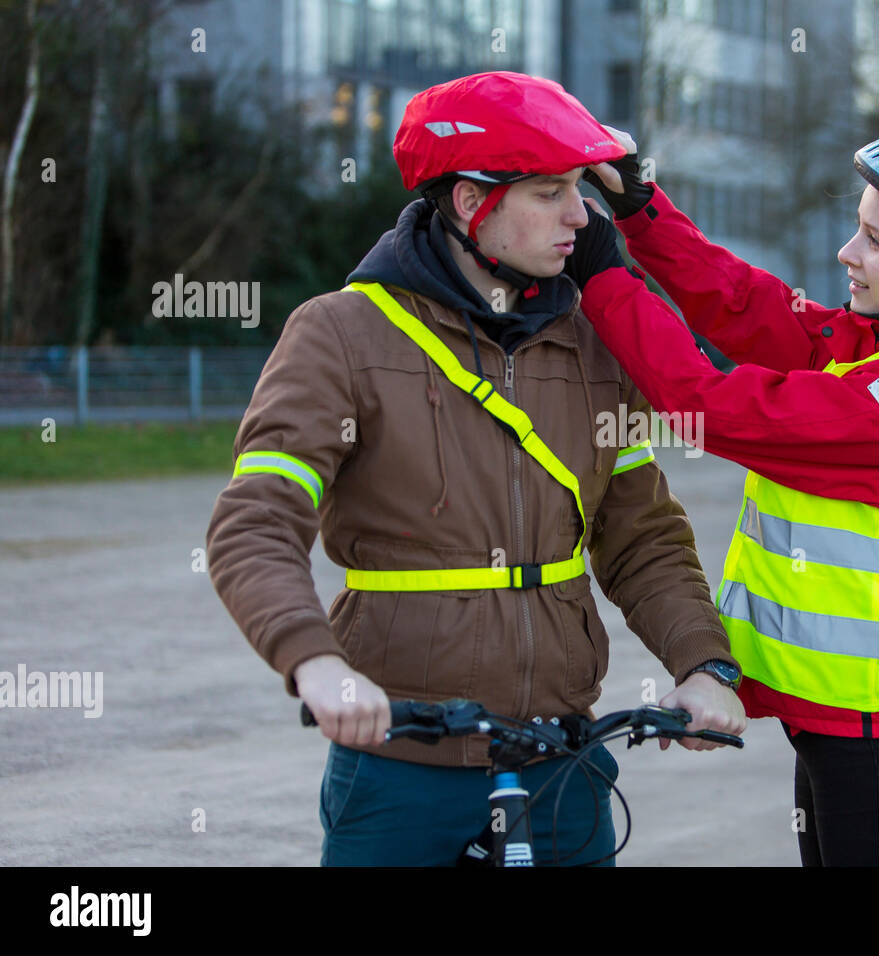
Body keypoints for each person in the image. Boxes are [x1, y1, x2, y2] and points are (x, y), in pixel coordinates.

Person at [205, 72, 746, 868]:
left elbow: (643, 538)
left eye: (581, 190)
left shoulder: (597, 343)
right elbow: (256, 521)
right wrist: (313, 662)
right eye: (550, 192)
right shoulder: (340, 334)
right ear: (470, 202)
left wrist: (703, 664)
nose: (581, 216)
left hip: (565, 767)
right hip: (401, 776)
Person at [563, 123, 879, 866]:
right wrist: (641, 210)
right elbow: (745, 306)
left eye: (874, 240)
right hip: (851, 725)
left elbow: (708, 399)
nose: (847, 254)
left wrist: (605, 274)